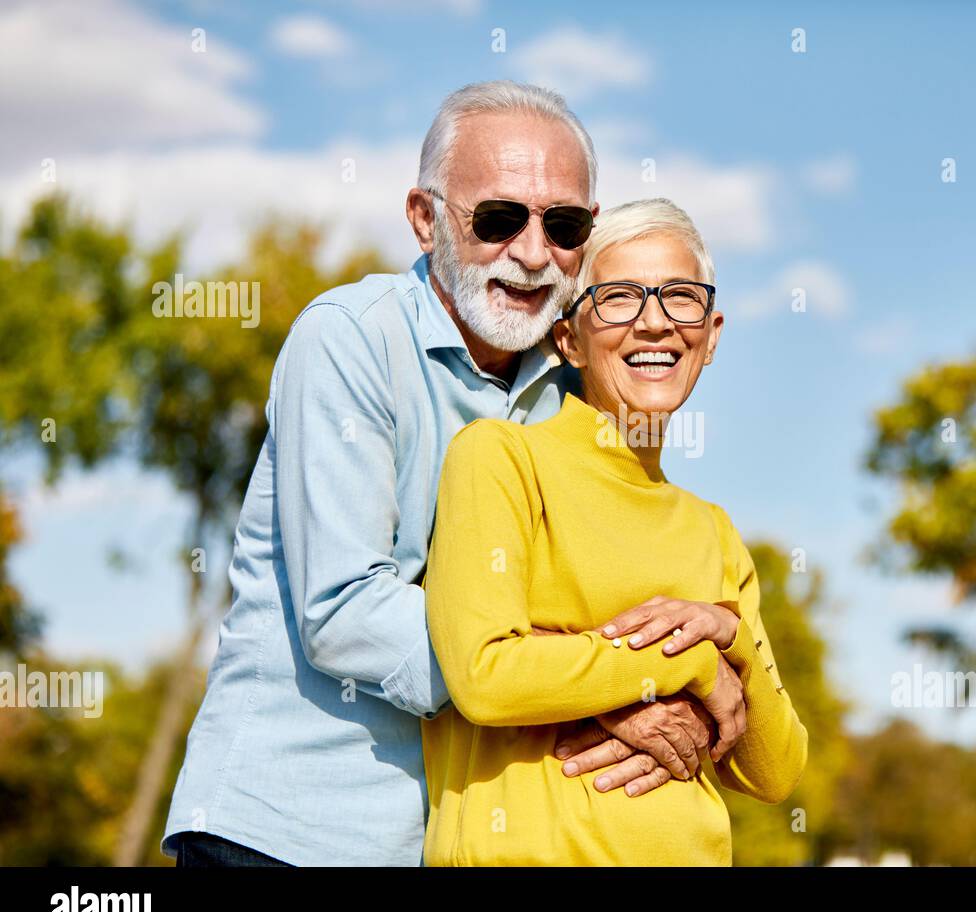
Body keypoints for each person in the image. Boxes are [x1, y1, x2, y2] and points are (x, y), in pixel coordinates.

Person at [163, 82, 744, 866]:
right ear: (425, 218)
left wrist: (713, 652)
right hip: (283, 831)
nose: (533, 253)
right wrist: (606, 688)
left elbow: (618, 590)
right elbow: (345, 609)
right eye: (498, 219)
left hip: (447, 840)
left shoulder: (576, 382)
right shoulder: (348, 341)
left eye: (563, 226)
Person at [423, 198, 808, 865]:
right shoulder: (501, 459)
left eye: (681, 297)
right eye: (620, 298)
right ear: (568, 338)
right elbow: (484, 675)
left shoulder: (714, 531)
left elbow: (776, 772)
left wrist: (731, 638)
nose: (655, 322)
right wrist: (689, 664)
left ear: (712, 334)